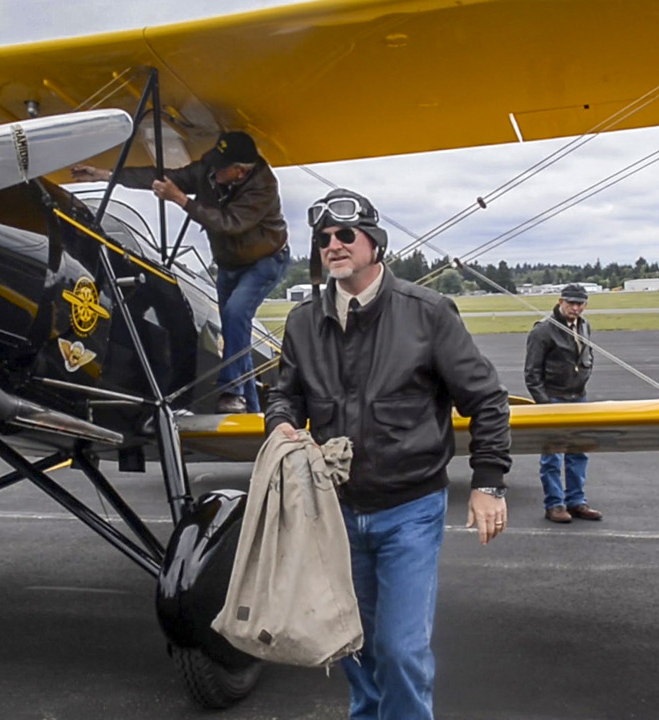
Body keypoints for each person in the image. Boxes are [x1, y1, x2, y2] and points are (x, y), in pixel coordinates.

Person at [264, 188, 512, 720]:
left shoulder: (428, 314)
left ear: (374, 243)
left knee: (401, 651)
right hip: (334, 512)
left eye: (345, 235)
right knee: (354, 644)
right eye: (324, 238)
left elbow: (487, 400)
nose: (333, 245)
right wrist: (282, 422)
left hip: (409, 510)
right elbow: (285, 392)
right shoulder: (304, 322)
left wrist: (488, 483)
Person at [71, 131, 289, 414]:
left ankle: (232, 392)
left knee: (235, 315)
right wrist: (106, 175)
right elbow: (161, 176)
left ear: (240, 171)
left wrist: (180, 200)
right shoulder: (211, 169)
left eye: (222, 166)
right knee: (237, 329)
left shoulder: (264, 187)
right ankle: (251, 407)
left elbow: (228, 223)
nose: (213, 169)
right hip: (228, 264)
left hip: (264, 262)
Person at [524, 283, 603, 523]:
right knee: (552, 455)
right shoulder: (543, 331)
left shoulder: (584, 325)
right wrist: (545, 404)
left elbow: (586, 356)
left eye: (580, 304)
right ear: (560, 302)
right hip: (553, 398)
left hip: (578, 397)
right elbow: (531, 373)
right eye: (571, 303)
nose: (575, 308)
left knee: (579, 452)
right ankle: (555, 504)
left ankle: (576, 501)